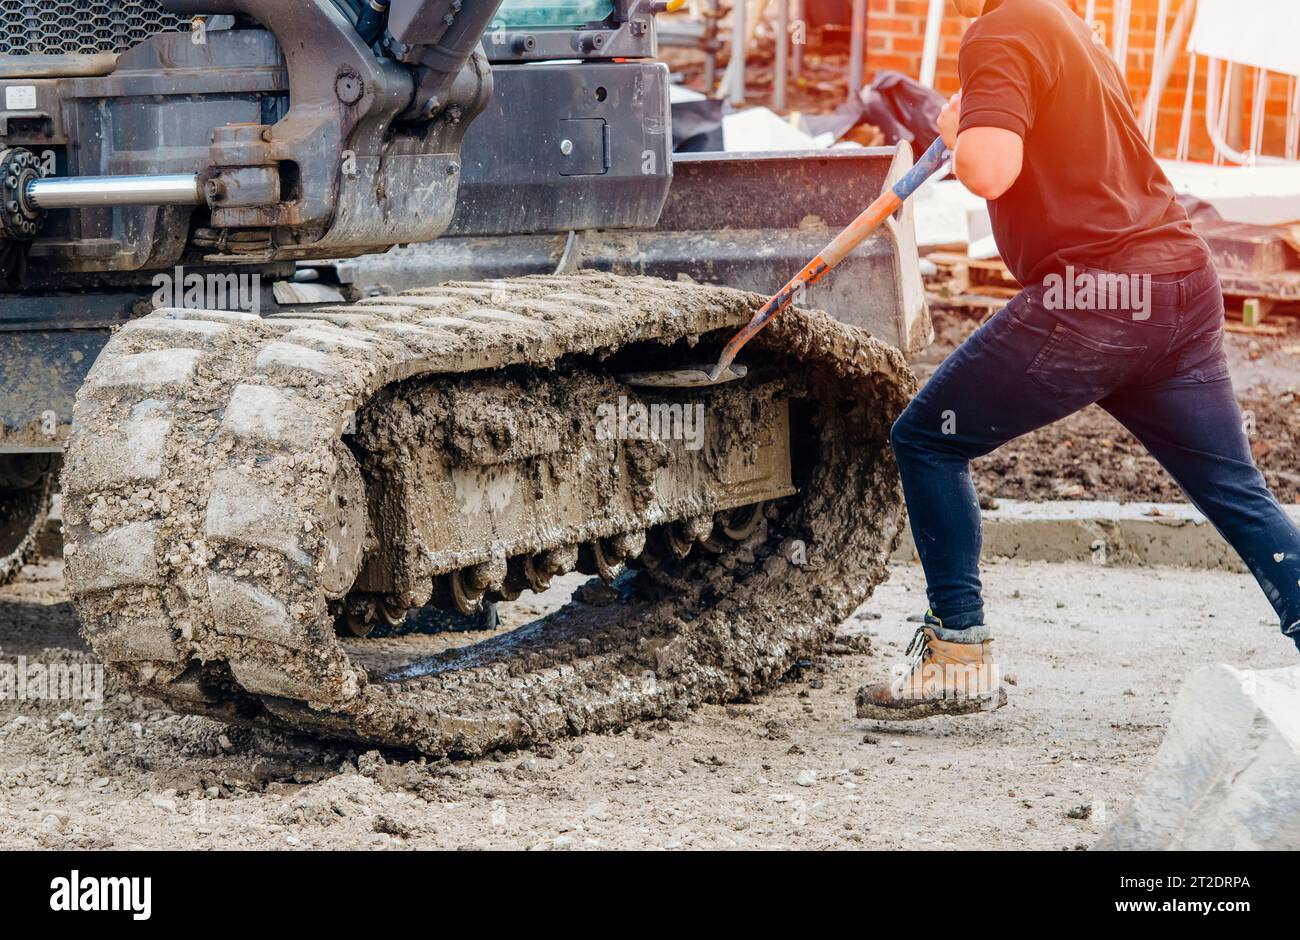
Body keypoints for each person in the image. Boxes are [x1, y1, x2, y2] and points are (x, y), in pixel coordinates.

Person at [857, 0, 1300, 720]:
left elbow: (990, 169)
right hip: (1177, 281)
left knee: (926, 438)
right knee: (1235, 491)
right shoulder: (1070, 26)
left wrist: (951, 124)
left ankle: (957, 657)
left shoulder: (999, 29)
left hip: (1097, 295)